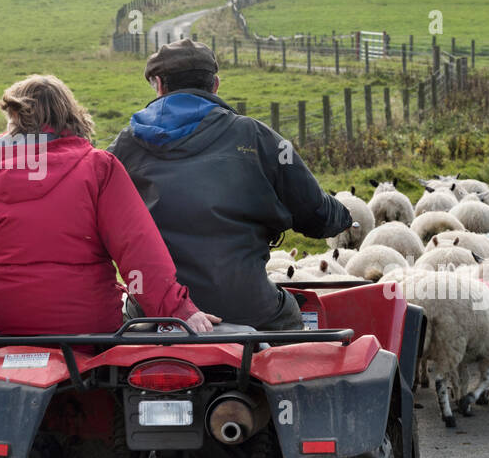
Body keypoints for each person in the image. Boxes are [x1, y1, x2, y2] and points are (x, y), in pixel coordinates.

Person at [0, 74, 221, 343]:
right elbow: (137, 250)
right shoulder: (98, 168)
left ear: (14, 121)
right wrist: (176, 310)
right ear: (69, 116)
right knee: (98, 384)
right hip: (84, 326)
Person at [107, 39, 351, 331]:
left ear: (158, 85)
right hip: (249, 310)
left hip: (154, 314)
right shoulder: (256, 137)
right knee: (293, 322)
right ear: (216, 85)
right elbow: (315, 214)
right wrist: (345, 216)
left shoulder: (123, 147)